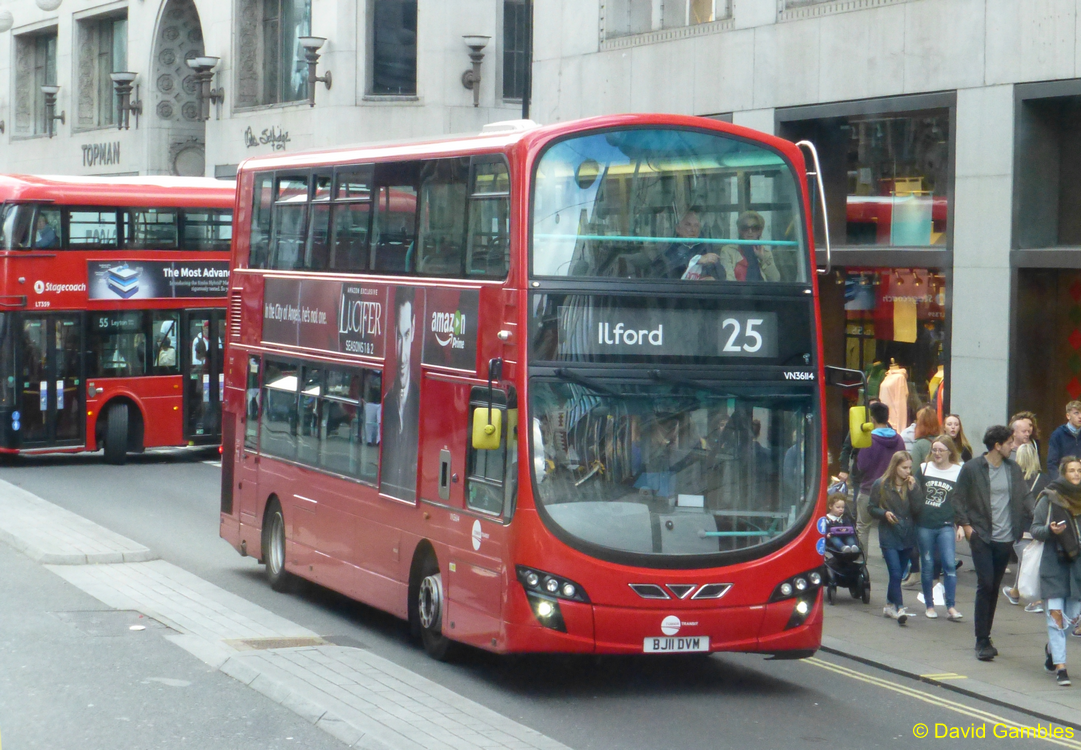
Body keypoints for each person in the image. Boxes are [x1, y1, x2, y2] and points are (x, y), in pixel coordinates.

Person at [953, 425, 1035, 661]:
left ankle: (986, 635)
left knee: (994, 587)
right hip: (982, 536)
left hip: (1006, 537)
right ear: (997, 445)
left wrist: (1041, 515)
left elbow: (1025, 495)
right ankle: (981, 640)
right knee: (986, 584)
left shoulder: (1013, 468)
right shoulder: (972, 468)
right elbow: (958, 499)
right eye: (1010, 442)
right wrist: (967, 528)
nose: (1014, 446)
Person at [1030, 456, 1081, 687]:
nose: (1077, 474)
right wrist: (1050, 531)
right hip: (1054, 565)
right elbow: (1035, 530)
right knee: (1056, 618)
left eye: (1079, 470)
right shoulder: (1049, 498)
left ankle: (1052, 650)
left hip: (1076, 568)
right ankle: (1061, 667)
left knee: (1072, 620)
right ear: (1063, 473)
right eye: (1072, 470)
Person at [914, 435, 964, 621]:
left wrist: (960, 525)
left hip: (945, 524)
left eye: (940, 450)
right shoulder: (924, 468)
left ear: (949, 452)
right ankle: (929, 605)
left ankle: (951, 606)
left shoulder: (958, 471)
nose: (936, 453)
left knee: (949, 564)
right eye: (934, 450)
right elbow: (915, 492)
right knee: (927, 564)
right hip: (924, 524)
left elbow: (961, 500)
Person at [869, 450, 921, 625]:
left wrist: (914, 490)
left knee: (897, 575)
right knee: (896, 572)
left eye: (909, 468)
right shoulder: (881, 484)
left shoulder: (912, 485)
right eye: (904, 468)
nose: (908, 471)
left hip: (907, 534)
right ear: (895, 467)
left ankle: (889, 605)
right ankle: (899, 608)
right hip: (889, 535)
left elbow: (917, 510)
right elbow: (871, 508)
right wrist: (884, 513)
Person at [380, 286, 421, 502]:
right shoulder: (385, 404)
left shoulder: (422, 404)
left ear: (413, 330)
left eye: (406, 334)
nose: (403, 352)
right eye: (398, 336)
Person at [1002, 442, 1049, 614]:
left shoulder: (1014, 479)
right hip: (1039, 527)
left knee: (1030, 563)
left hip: (1021, 527)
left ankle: (1037, 599)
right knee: (1029, 561)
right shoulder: (1045, 479)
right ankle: (1015, 592)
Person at [854, 401, 907, 553]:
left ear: (872, 419)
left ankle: (861, 564)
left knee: (863, 527)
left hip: (868, 489)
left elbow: (861, 466)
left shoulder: (868, 439)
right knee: (893, 525)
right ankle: (893, 561)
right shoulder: (898, 439)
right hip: (892, 489)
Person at [719, 210, 781, 282]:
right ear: (740, 230)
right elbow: (729, 281)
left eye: (754, 228)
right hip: (738, 292)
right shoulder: (728, 251)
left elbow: (775, 280)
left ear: (760, 231)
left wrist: (763, 259)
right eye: (745, 228)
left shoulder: (765, 253)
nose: (750, 231)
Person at [1048, 402, 1081, 480]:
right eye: (1076, 413)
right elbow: (1052, 463)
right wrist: (1059, 482)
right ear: (1068, 416)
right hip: (1064, 480)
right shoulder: (1058, 434)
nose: (1080, 416)